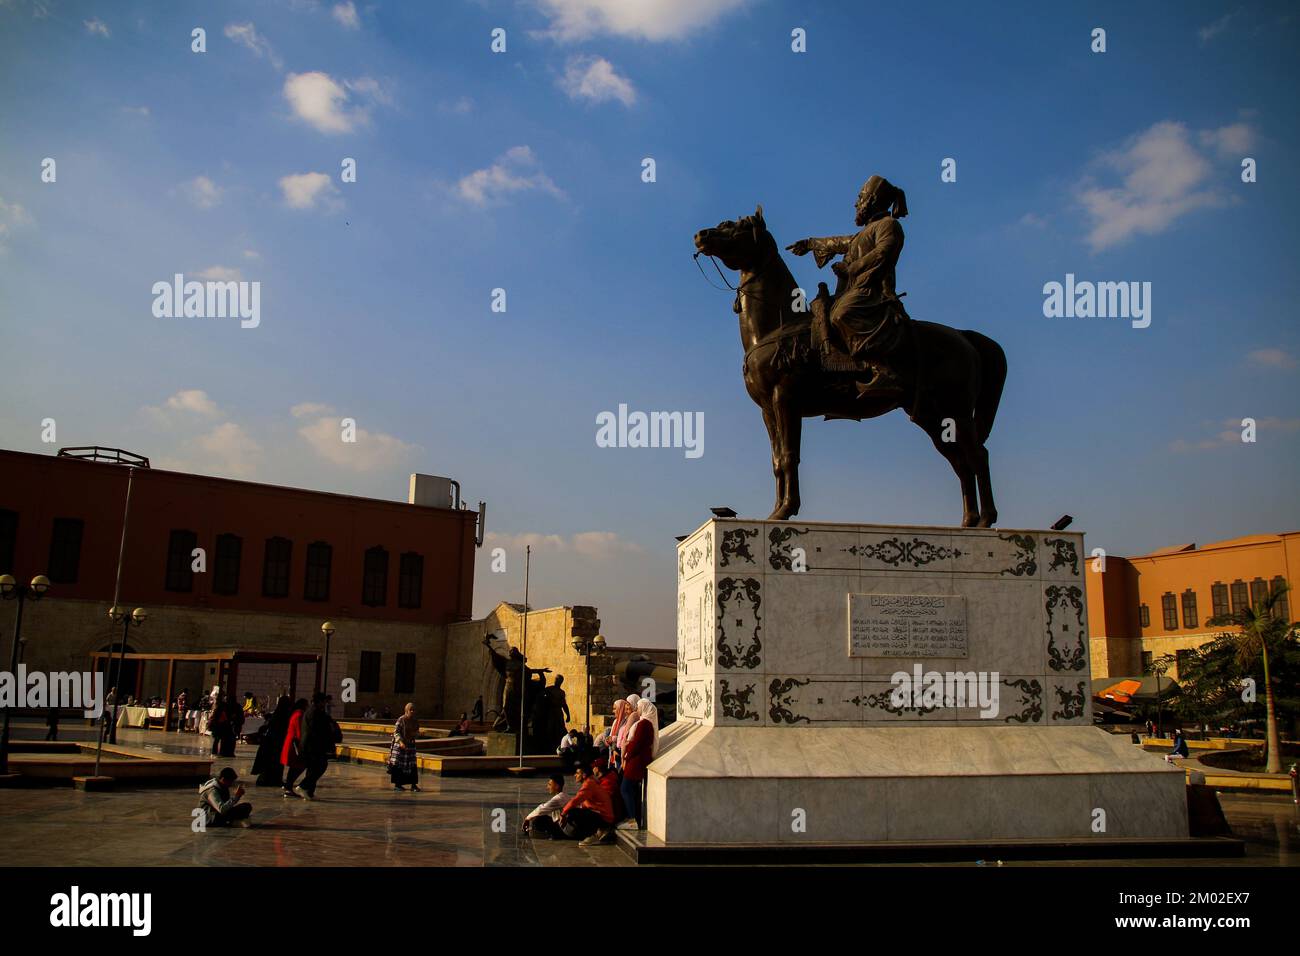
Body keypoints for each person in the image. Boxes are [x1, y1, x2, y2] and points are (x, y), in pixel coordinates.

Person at [787, 174, 910, 396]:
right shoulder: (862, 234)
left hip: (873, 292)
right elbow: (838, 243)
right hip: (854, 290)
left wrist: (851, 269)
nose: (856, 203)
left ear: (871, 201)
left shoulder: (888, 225)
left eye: (860, 198)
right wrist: (809, 243)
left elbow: (884, 252)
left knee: (841, 314)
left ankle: (881, 369)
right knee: (819, 310)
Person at [620, 699, 658, 829]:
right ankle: (633, 818)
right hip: (636, 760)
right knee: (631, 790)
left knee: (625, 788)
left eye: (640, 707)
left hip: (635, 761)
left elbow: (636, 744)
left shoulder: (644, 724)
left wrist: (626, 755)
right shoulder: (646, 723)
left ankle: (632, 821)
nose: (638, 709)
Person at [559, 765, 615, 845]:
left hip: (604, 818)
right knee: (574, 813)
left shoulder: (589, 784)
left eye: (578, 773)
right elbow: (583, 802)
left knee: (572, 813)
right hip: (602, 816)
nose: (575, 775)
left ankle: (596, 834)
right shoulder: (590, 781)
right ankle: (592, 833)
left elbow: (576, 800)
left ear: (584, 775)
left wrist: (563, 813)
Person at [298, 692, 339, 799]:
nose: (325, 703)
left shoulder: (313, 711)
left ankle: (309, 792)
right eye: (324, 701)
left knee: (313, 768)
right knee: (320, 766)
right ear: (320, 701)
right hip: (313, 745)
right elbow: (318, 729)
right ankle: (303, 786)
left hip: (311, 745)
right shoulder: (315, 712)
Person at [252, 695, 293, 787]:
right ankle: (274, 780)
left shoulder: (276, 714)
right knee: (276, 763)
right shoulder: (284, 715)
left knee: (269, 763)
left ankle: (266, 779)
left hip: (269, 742)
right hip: (276, 742)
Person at [388, 702, 421, 792]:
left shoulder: (415, 720)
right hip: (400, 745)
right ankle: (398, 785)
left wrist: (416, 734)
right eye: (410, 710)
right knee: (399, 765)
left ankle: (413, 785)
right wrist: (401, 742)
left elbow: (417, 731)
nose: (412, 711)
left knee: (412, 764)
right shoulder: (401, 720)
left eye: (413, 709)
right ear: (406, 710)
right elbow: (396, 732)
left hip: (410, 745)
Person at [523, 773, 568, 838]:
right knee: (540, 817)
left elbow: (541, 809)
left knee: (538, 819)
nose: (547, 787)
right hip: (562, 825)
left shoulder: (559, 798)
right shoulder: (564, 796)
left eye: (550, 784)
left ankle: (549, 834)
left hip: (564, 829)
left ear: (557, 786)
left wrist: (527, 819)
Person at [280, 698, 309, 797]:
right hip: (295, 745)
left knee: (295, 766)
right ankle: (288, 786)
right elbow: (299, 731)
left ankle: (288, 785)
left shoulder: (296, 713)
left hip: (291, 743)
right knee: (299, 765)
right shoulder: (299, 715)